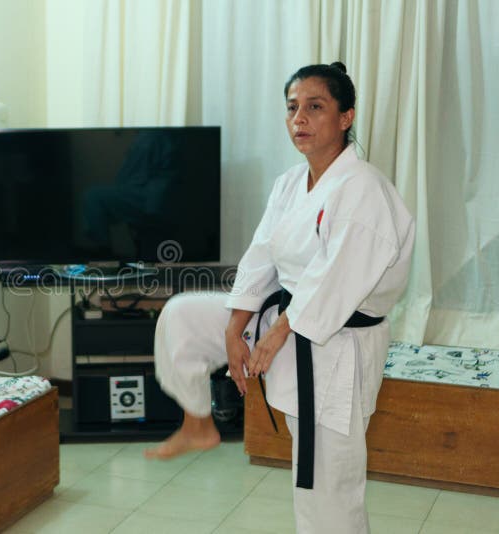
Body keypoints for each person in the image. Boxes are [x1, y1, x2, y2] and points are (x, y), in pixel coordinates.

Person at [144, 62, 415, 534]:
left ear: (346, 117)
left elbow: (336, 282)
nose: (299, 119)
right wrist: (234, 329)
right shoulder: (290, 183)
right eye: (292, 108)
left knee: (327, 491)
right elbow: (260, 256)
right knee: (182, 314)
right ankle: (198, 423)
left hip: (334, 345)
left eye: (315, 107)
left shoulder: (365, 189)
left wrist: (272, 336)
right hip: (284, 319)